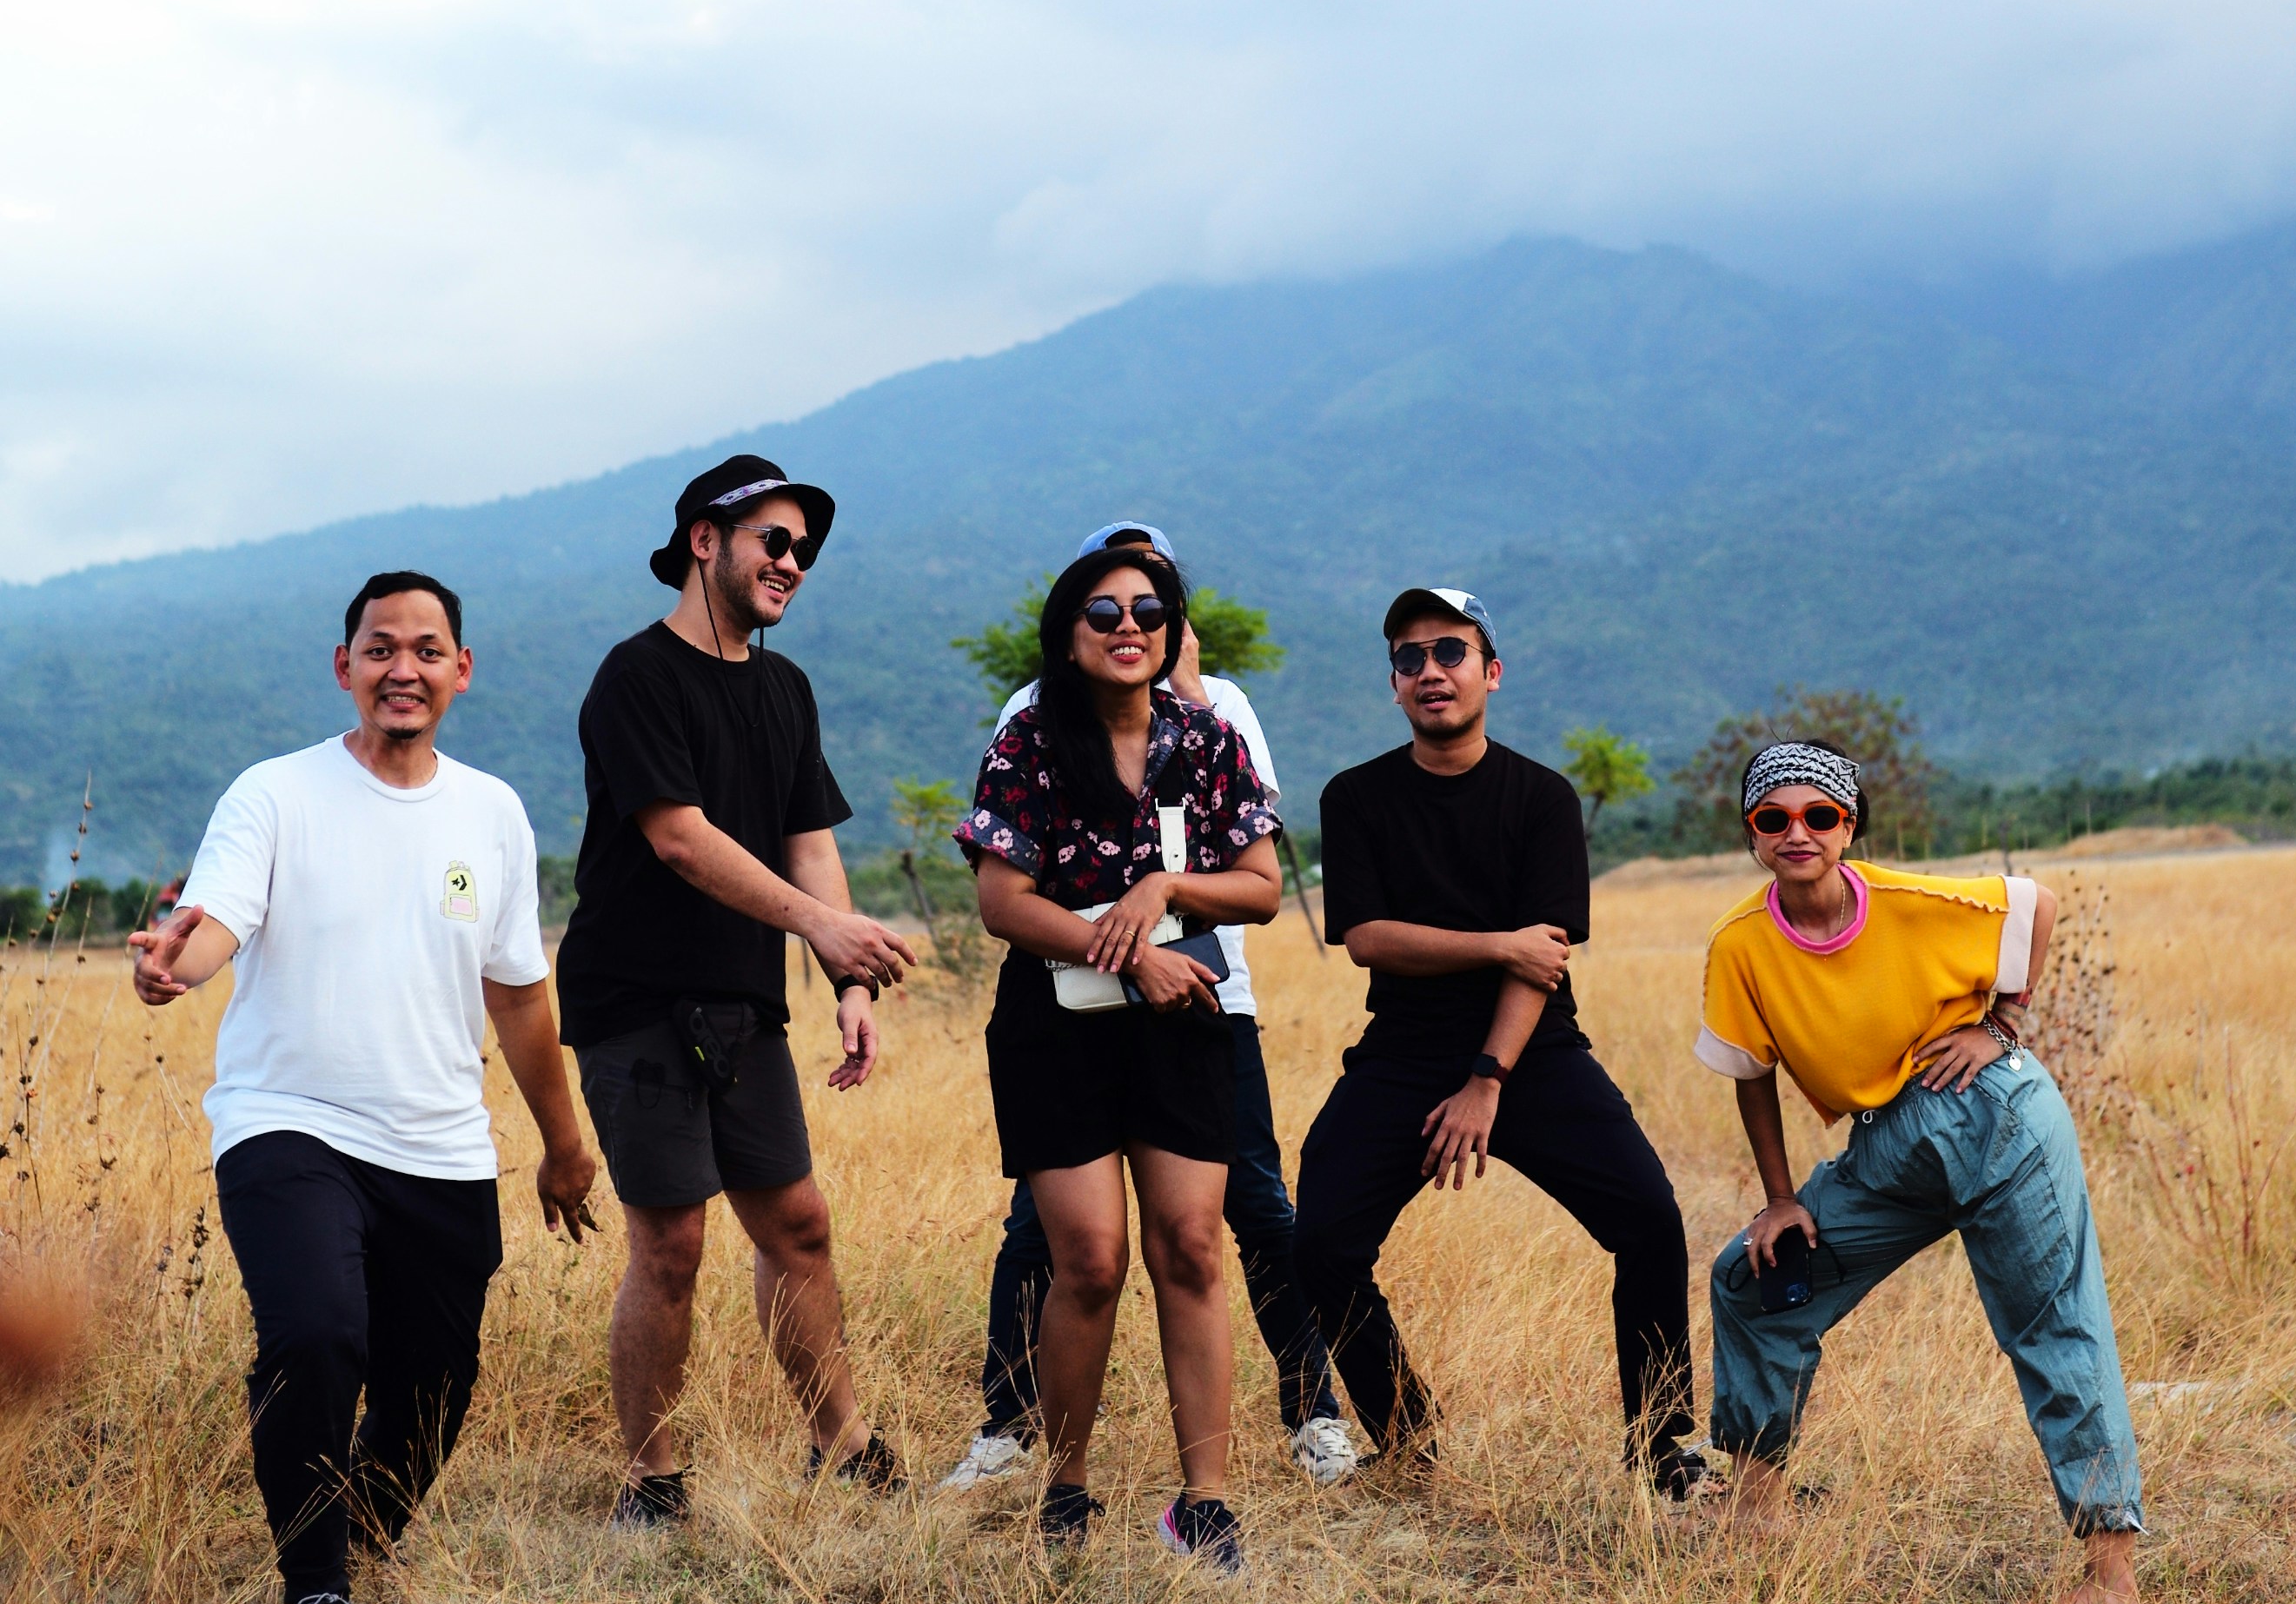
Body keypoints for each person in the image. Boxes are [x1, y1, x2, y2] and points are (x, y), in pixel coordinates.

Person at [129, 572, 597, 1604]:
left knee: (437, 1380)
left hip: (437, 1140)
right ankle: (317, 1588)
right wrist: (173, 965)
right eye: (380, 648)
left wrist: (564, 1144)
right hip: (285, 1119)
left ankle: (361, 1529)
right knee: (316, 1334)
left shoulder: (492, 811)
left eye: (427, 649)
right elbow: (218, 918)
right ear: (344, 667)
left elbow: (520, 992)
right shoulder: (274, 794)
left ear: (460, 670)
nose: (404, 668)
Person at [940, 519, 1360, 1495]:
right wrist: (1129, 958)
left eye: (1150, 609)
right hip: (1058, 1023)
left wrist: (1164, 892)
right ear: (1069, 629)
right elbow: (1004, 902)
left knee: (1196, 1246)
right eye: (1103, 610)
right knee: (1084, 1257)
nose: (1128, 624)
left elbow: (1259, 883)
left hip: (1189, 1021)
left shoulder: (1211, 736)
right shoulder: (1032, 738)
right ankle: (1066, 1484)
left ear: (1175, 627)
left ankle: (1207, 1501)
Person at [1695, 739, 2141, 1604]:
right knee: (1750, 1283)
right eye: (1773, 817)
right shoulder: (1743, 945)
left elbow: (2036, 904)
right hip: (1889, 1147)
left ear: (1849, 823)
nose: (1798, 832)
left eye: (1819, 814)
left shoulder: (1910, 898)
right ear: (1751, 832)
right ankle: (1757, 1511)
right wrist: (1782, 1197)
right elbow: (1751, 1070)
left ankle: (2111, 1577)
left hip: (1999, 1115)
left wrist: (2002, 1025)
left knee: (2053, 1325)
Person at [556, 455, 916, 1527]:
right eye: (774, 538)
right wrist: (821, 926)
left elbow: (811, 842)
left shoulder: (785, 689)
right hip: (637, 995)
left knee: (796, 1221)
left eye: (804, 548)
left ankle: (841, 1444)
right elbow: (677, 836)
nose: (793, 561)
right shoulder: (636, 676)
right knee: (671, 1240)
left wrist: (849, 978)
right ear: (706, 540)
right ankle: (652, 1481)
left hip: (744, 996)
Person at [1292, 588, 1698, 1490]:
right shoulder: (1356, 796)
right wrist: (1494, 941)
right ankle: (1407, 1433)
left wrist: (1487, 1078)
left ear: (1491, 671)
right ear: (1393, 684)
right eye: (1409, 657)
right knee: (1319, 1238)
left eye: (1450, 650)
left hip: (1531, 1050)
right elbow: (1367, 937)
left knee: (1648, 1220)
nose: (1430, 669)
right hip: (1401, 1049)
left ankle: (1665, 1449)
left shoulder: (1542, 797)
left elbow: (1541, 959)